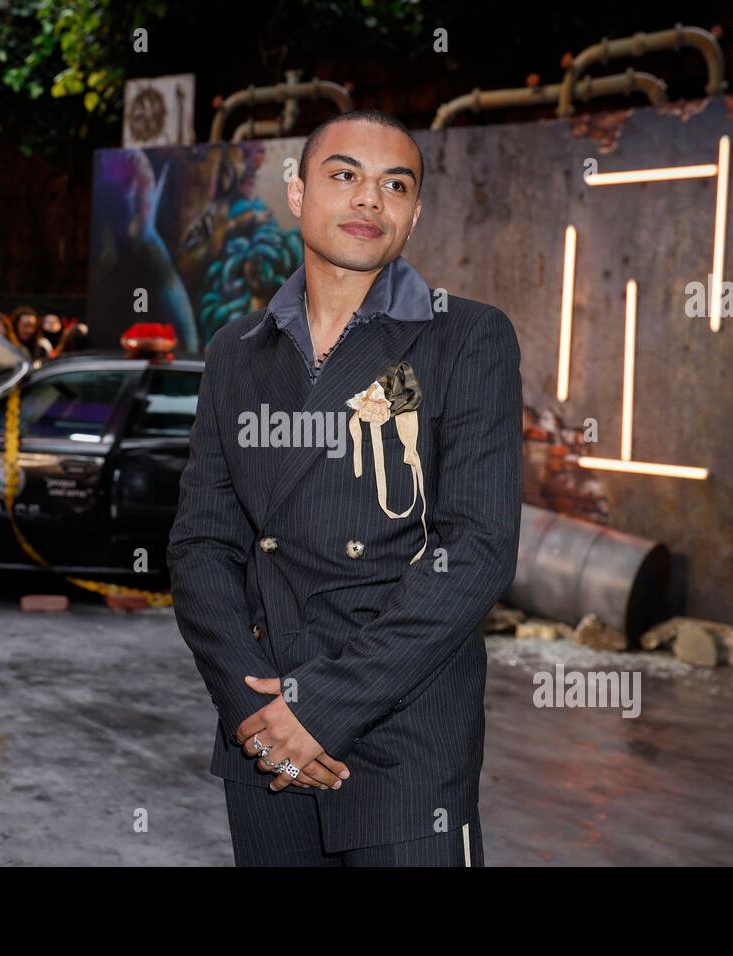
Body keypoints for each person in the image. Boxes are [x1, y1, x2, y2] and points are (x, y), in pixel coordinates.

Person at [167, 109, 523, 867]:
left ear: (415, 213)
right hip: (265, 736)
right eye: (344, 176)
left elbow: (479, 549)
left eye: (395, 184)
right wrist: (253, 709)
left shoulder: (465, 336)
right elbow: (202, 542)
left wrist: (321, 707)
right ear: (296, 193)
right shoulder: (238, 351)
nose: (370, 199)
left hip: (405, 733)